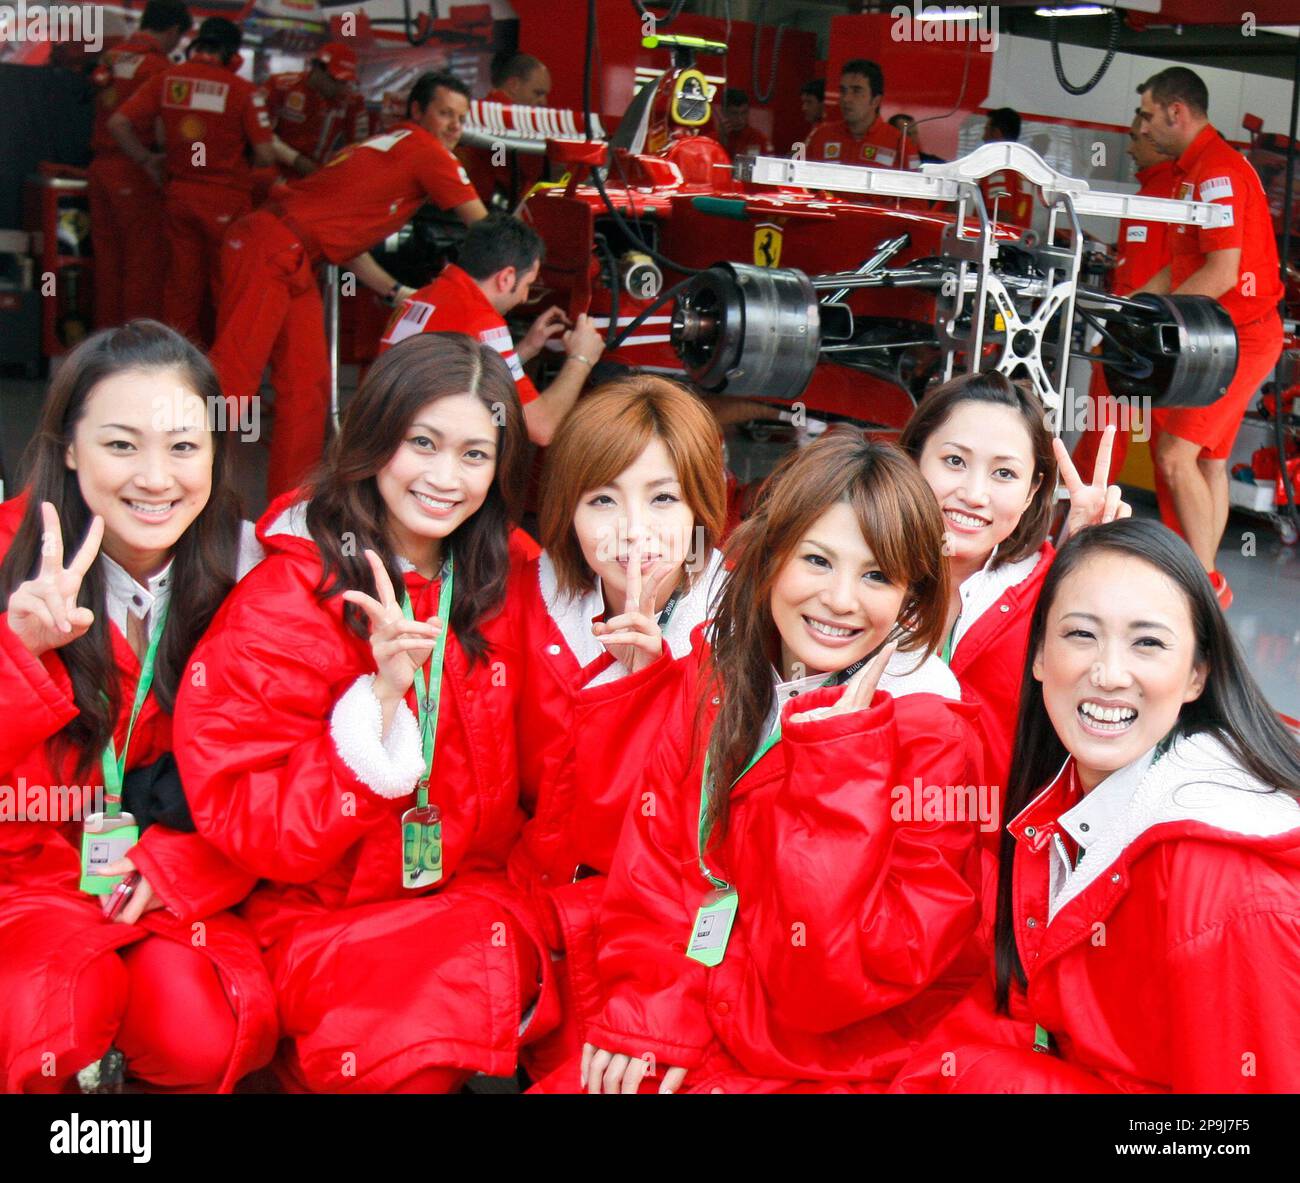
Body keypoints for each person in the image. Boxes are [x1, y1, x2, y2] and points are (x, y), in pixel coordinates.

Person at [536, 430, 987, 1093]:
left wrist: (841, 763)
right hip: (706, 1003)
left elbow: (836, 984)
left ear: (911, 599)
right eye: (816, 560)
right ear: (772, 555)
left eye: (876, 575)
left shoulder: (936, 740)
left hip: (828, 1057)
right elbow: (659, 864)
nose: (839, 599)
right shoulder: (719, 677)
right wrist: (655, 1011)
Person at [173, 332, 558, 1093]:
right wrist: (376, 705)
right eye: (424, 442)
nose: (447, 478)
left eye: (475, 454)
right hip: (327, 923)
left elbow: (562, 770)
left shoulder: (510, 578)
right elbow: (251, 821)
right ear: (375, 435)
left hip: (479, 901)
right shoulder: (288, 597)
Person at [894, 519, 1300, 1093]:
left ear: (1196, 675)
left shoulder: (1231, 892)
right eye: (1081, 634)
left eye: (1148, 643)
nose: (1108, 673)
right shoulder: (1067, 797)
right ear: (1036, 658)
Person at [0, 321, 276, 1093]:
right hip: (25, 882)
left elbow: (283, 771)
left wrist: (185, 860)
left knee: (199, 1036)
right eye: (121, 445)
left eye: (184, 446)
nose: (156, 478)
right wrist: (17, 652)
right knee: (41, 1027)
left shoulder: (259, 575)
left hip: (171, 877)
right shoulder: (6, 559)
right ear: (66, 445)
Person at [508, 377, 728, 1079]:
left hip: (675, 940)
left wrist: (650, 687)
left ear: (701, 505)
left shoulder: (747, 635)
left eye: (663, 497)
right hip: (539, 918)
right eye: (603, 498)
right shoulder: (523, 606)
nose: (634, 529)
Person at [207, 71, 488, 500]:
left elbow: (342, 241)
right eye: (445, 113)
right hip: (269, 247)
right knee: (233, 383)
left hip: (295, 256)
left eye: (460, 117)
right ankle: (183, 496)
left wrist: (398, 292)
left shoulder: (391, 144)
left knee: (309, 390)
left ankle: (289, 511)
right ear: (417, 111)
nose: (454, 126)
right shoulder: (426, 151)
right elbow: (487, 230)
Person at [899, 372, 1129, 804]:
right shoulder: (859, 570)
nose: (974, 494)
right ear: (914, 459)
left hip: (989, 858)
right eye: (954, 461)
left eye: (1004, 473)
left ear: (1032, 491)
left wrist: (1089, 576)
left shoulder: (1054, 599)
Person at [1134, 66, 1285, 608]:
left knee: (1176, 454)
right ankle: (1206, 579)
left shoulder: (1216, 172)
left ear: (1177, 112)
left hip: (1241, 334)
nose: (1143, 129)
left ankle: (1201, 585)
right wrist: (1125, 310)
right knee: (1209, 461)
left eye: (1149, 115)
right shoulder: (1192, 169)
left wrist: (1158, 323)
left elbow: (1221, 274)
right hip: (1230, 333)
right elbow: (1179, 272)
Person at [109, 18, 275, 346]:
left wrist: (147, 160)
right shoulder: (242, 91)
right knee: (228, 290)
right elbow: (267, 154)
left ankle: (177, 364)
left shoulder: (167, 79)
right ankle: (227, 372)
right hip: (227, 201)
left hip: (180, 195)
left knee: (180, 291)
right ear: (231, 54)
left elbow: (118, 123)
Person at [379, 214, 603, 447]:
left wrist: (527, 348)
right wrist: (582, 358)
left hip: (386, 447)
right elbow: (544, 428)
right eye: (528, 284)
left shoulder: (419, 299)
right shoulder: (481, 320)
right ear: (506, 278)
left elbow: (462, 373)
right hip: (423, 458)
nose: (525, 297)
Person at [1071, 106, 1177, 500]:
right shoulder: (1150, 195)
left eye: (1135, 138)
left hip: (1138, 344)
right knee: (1114, 442)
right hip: (1136, 341)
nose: (1130, 148)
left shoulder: (1170, 197)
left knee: (1111, 440)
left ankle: (1076, 527)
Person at [87, 0, 192, 329]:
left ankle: (103, 346)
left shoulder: (112, 56)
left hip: (99, 168)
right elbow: (162, 128)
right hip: (135, 170)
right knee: (142, 265)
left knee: (107, 264)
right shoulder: (159, 68)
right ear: (174, 30)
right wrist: (152, 158)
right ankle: (133, 350)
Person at [263, 40, 369, 181]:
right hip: (274, 172)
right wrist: (295, 159)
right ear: (317, 68)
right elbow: (260, 133)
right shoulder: (280, 86)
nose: (340, 87)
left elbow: (359, 148)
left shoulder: (353, 101)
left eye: (345, 82)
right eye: (335, 80)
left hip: (319, 177)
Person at [462, 52, 553, 208]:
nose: (543, 102)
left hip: (465, 205)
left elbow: (498, 159)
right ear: (514, 85)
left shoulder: (479, 111)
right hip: (492, 211)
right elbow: (505, 168)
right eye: (538, 93)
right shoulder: (511, 121)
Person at [805, 59, 911, 170]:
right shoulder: (821, 136)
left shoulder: (900, 144)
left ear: (876, 100)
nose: (846, 99)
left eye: (856, 91)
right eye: (843, 91)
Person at [979, 107, 1034, 231]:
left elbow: (1001, 216)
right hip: (1020, 243)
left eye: (986, 130)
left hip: (999, 245)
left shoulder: (998, 170)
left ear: (996, 133)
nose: (983, 137)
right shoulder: (1024, 170)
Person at [716, 88, 772, 159]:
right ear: (723, 112)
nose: (740, 119)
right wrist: (721, 142)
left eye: (744, 113)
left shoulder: (758, 139)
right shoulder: (712, 140)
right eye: (734, 113)